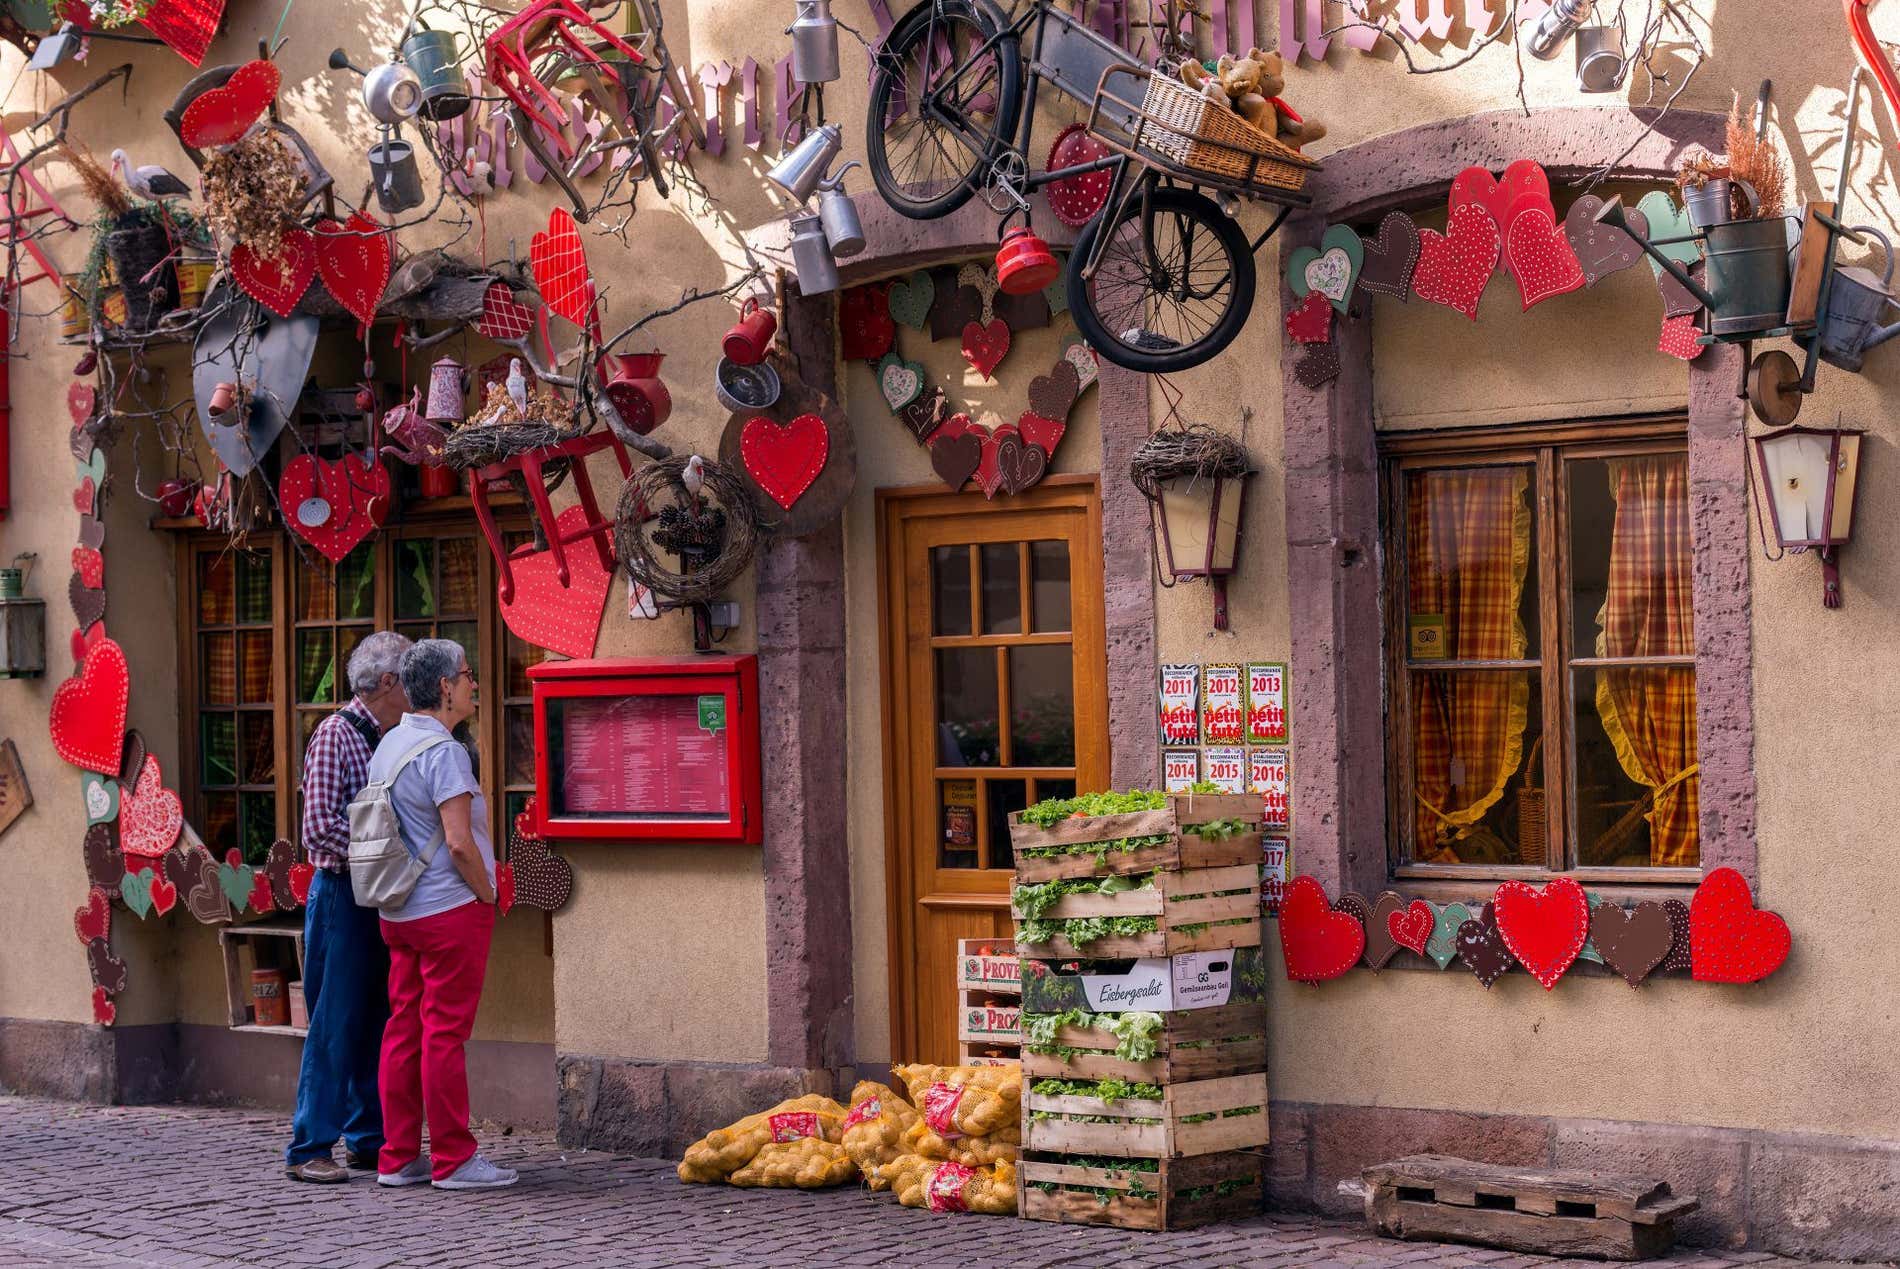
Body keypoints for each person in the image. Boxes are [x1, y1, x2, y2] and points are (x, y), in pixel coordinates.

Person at [370, 639, 515, 1191]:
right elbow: (459, 843)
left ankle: (398, 1156)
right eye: (466, 674)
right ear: (443, 688)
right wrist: (488, 895)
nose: (473, 683)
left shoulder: (389, 745)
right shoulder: (445, 752)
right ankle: (454, 1160)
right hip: (449, 908)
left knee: (403, 1030)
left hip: (399, 908)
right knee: (444, 1034)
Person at [285, 631, 413, 1184]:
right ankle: (310, 1146)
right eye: (409, 681)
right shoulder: (337, 734)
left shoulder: (387, 735)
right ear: (388, 683)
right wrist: (393, 845)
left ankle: (367, 1140)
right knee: (334, 1024)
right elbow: (318, 828)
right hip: (340, 895)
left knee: (376, 1023)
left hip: (375, 895)